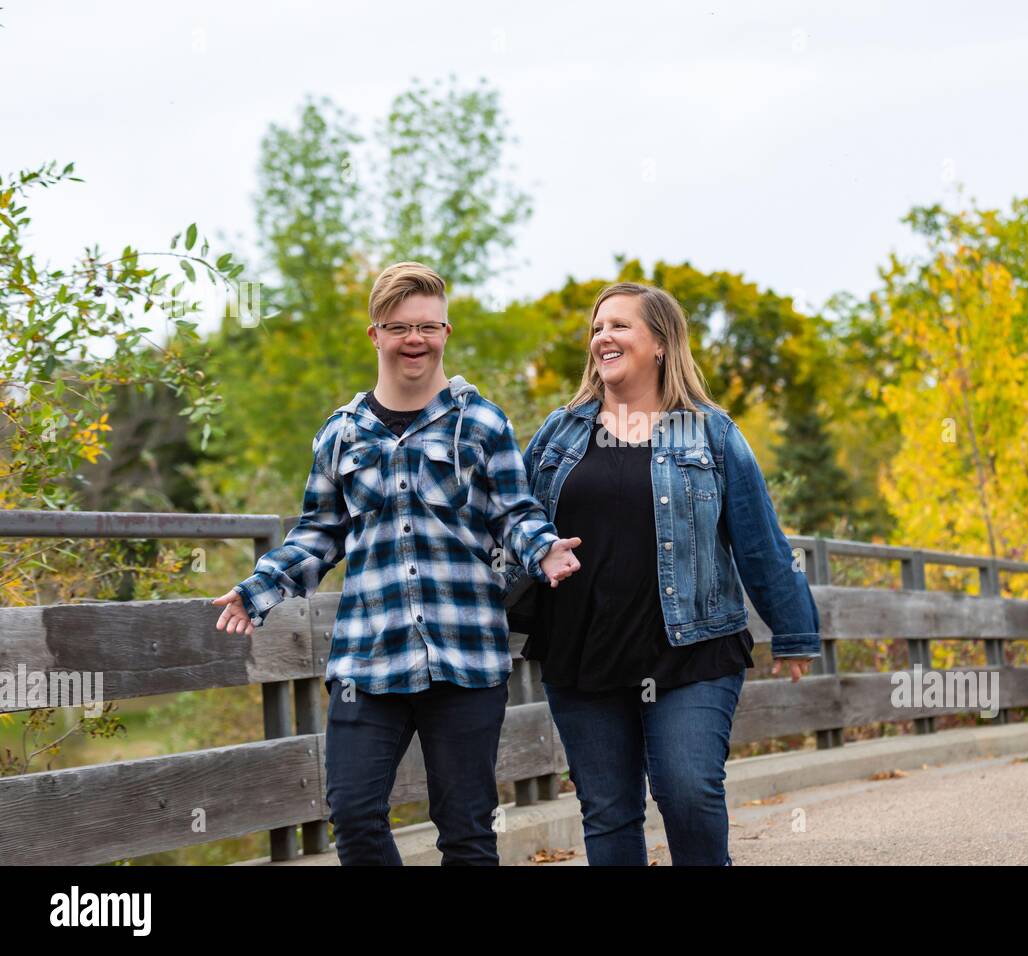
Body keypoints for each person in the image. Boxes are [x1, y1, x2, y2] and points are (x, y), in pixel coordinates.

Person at [212, 262, 581, 864]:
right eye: (401, 326)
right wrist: (261, 588)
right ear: (375, 334)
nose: (417, 340)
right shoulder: (341, 434)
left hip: (465, 655)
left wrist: (543, 548)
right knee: (353, 815)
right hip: (368, 659)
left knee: (466, 830)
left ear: (445, 331)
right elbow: (319, 532)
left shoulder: (482, 423)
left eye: (429, 327)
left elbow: (514, 511)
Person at [505, 281, 820, 865]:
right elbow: (513, 519)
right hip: (581, 650)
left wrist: (794, 630)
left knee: (688, 792)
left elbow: (760, 541)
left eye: (620, 326)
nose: (604, 337)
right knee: (607, 810)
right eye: (598, 328)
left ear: (661, 343)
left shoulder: (710, 433)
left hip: (690, 648)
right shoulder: (561, 430)